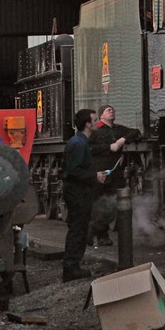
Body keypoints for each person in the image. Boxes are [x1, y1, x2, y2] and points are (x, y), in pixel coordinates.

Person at [88, 105, 141, 245]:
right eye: (107, 110)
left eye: (112, 109)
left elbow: (135, 131)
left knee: (112, 204)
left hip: (115, 173)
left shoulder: (118, 129)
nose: (111, 111)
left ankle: (95, 232)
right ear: (101, 116)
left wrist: (121, 140)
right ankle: (98, 234)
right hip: (100, 172)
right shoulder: (95, 131)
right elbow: (88, 148)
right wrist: (108, 147)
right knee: (100, 204)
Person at [62, 108, 103, 281]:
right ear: (87, 124)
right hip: (77, 192)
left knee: (78, 229)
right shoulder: (79, 144)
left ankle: (73, 266)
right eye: (94, 120)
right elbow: (73, 171)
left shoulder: (79, 142)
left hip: (78, 191)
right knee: (77, 230)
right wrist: (95, 176)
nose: (97, 122)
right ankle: (71, 268)